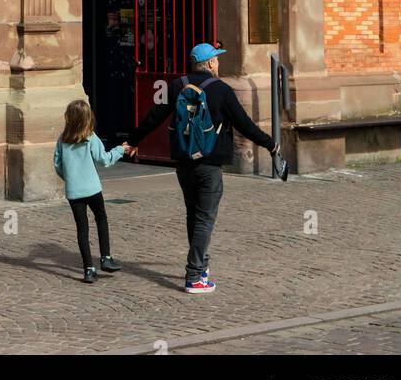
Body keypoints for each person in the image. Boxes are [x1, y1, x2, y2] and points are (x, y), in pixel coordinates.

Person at [127, 42, 281, 294]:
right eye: (217, 59)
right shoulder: (221, 90)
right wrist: (270, 144)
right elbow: (244, 125)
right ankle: (194, 275)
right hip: (209, 164)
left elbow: (154, 115)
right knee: (205, 218)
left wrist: (133, 141)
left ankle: (201, 266)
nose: (218, 63)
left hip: (183, 162)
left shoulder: (178, 85)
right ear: (210, 63)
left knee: (193, 214)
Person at [54, 99, 132, 283]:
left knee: (82, 228)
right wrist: (120, 150)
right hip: (92, 189)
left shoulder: (63, 139)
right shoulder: (90, 136)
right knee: (101, 218)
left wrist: (70, 179)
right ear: (88, 118)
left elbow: (57, 165)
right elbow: (104, 160)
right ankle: (105, 258)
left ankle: (88, 269)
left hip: (74, 191)